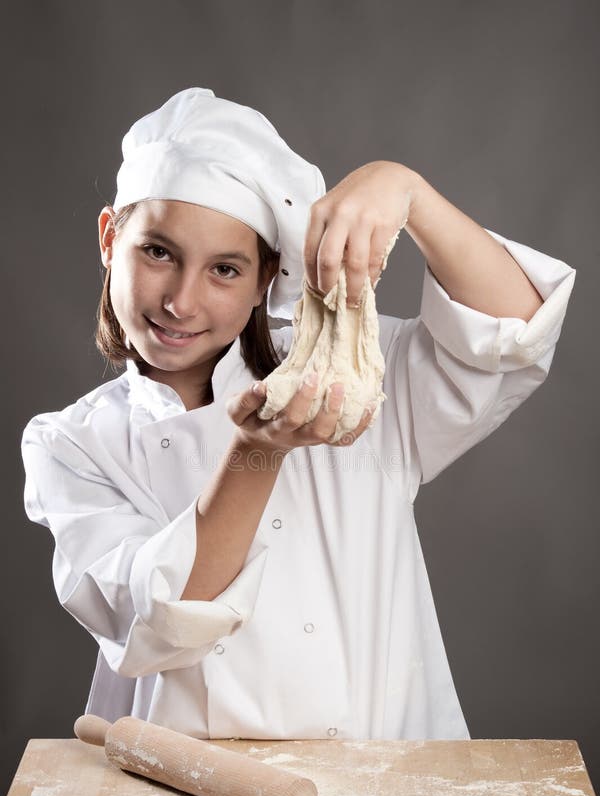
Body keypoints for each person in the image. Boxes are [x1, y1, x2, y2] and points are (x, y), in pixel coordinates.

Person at [21, 87, 576, 741]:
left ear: (265, 280)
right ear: (111, 239)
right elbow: (157, 618)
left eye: (224, 269)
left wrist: (408, 192)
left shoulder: (351, 374)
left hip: (384, 781)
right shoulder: (73, 444)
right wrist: (261, 450)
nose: (180, 301)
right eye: (159, 252)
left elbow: (511, 333)